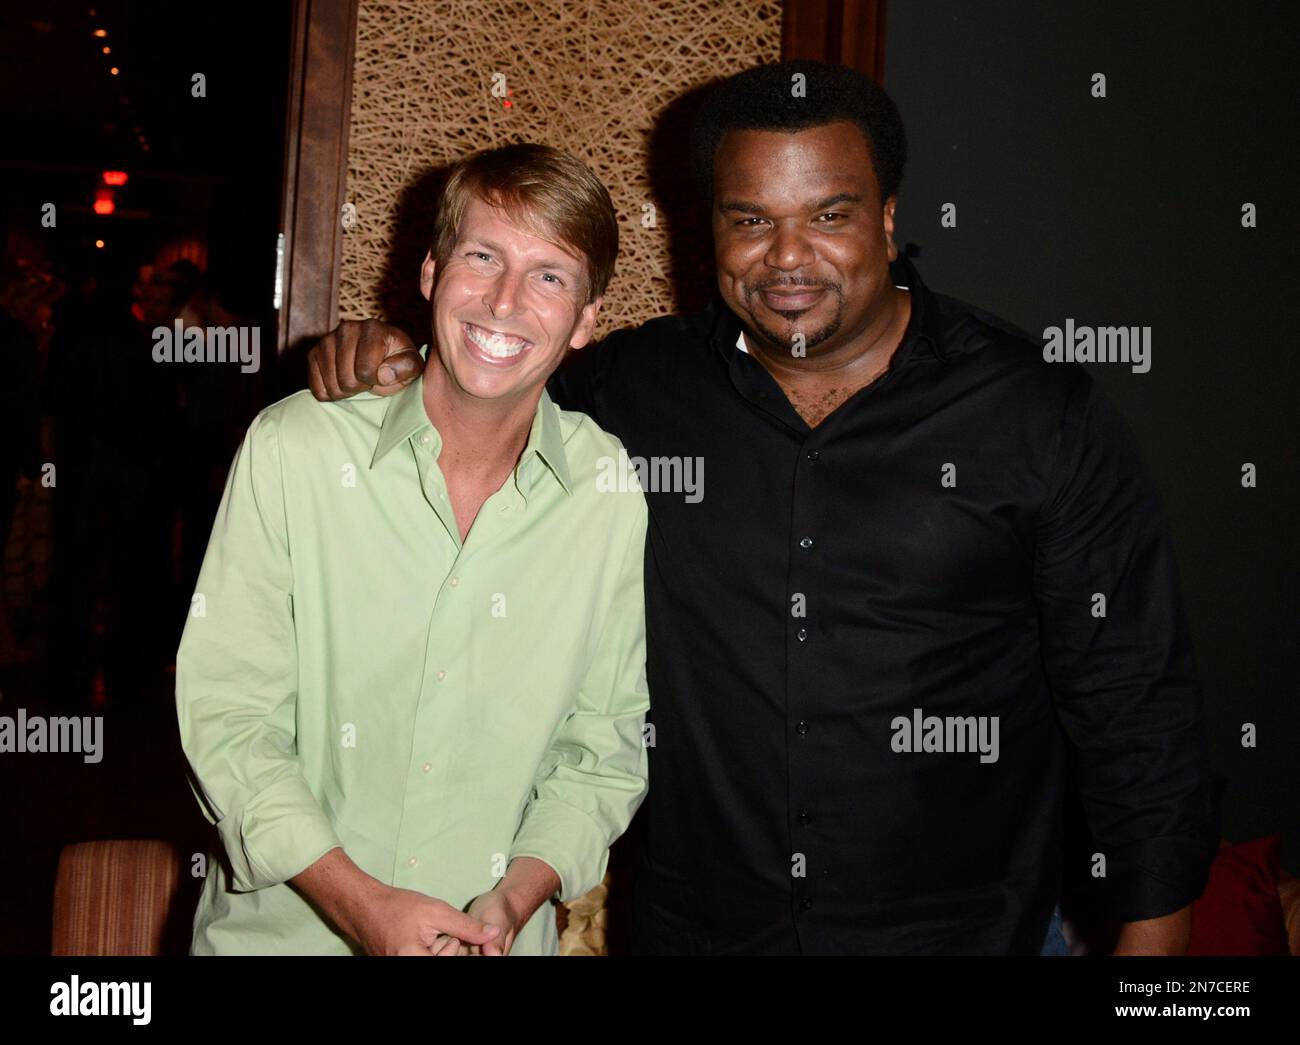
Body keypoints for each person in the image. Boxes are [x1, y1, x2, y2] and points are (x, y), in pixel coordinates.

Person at [306, 61, 1218, 954]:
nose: (788, 256)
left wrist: (1152, 945)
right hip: (698, 932)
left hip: (968, 930)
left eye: (829, 215)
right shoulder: (623, 393)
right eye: (751, 219)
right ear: (709, 231)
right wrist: (384, 355)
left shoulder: (1035, 416)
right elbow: (481, 386)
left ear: (888, 220)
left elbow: (1136, 705)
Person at [176, 143, 650, 955]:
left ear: (585, 320)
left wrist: (513, 897)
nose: (504, 301)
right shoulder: (296, 448)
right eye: (482, 257)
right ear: (431, 273)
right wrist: (356, 903)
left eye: (549, 276)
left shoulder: (605, 487)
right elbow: (228, 716)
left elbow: (603, 743)